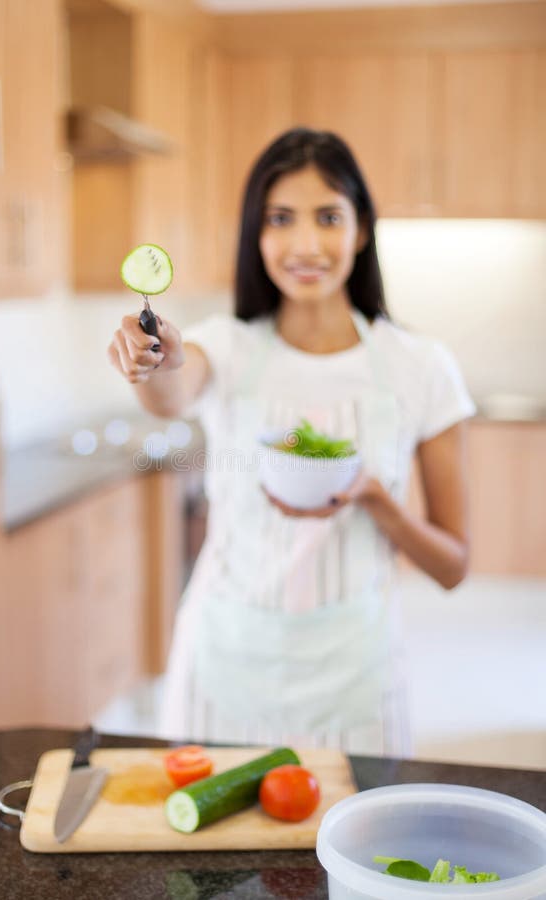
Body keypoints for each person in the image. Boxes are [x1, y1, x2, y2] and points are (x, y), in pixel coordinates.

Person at [108, 127, 475, 755]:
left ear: (361, 231)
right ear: (257, 235)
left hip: (357, 682)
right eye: (281, 218)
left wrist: (377, 501)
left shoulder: (420, 367)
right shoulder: (225, 346)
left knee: (351, 853)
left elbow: (452, 565)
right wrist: (152, 358)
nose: (306, 244)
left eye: (329, 216)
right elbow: (171, 387)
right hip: (221, 671)